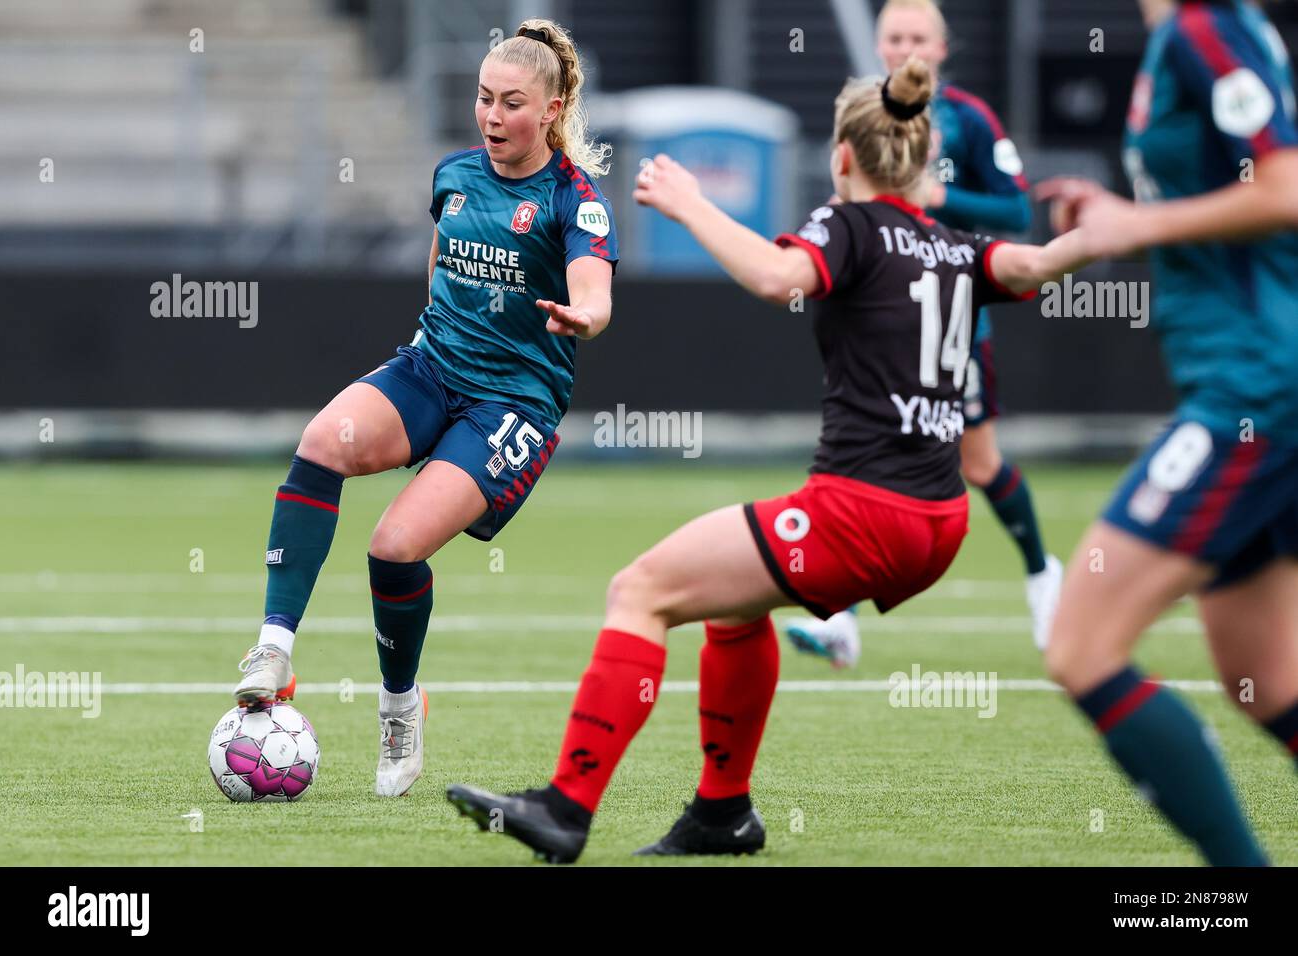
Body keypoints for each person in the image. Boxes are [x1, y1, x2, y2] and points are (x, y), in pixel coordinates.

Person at [446, 57, 1098, 863]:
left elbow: (775, 276)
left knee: (640, 590)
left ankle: (565, 807)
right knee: (734, 606)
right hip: (940, 518)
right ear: (923, 163)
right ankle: (723, 815)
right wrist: (1104, 228)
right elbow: (1031, 265)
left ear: (844, 159)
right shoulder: (954, 245)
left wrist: (690, 205)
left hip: (864, 512)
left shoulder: (850, 224)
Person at [231, 18, 619, 798]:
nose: (492, 116)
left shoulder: (574, 200)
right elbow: (441, 262)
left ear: (550, 110)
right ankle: (273, 647)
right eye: (483, 99)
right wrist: (428, 340)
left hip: (512, 405)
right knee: (322, 440)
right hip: (433, 366)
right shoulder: (453, 174)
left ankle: (400, 708)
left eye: (512, 103)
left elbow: (595, 292)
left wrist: (584, 316)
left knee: (395, 547)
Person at [1036, 0, 1298, 866]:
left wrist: (1134, 224)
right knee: (1269, 682)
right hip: (1257, 383)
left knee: (1080, 644)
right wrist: (1119, 210)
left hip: (1258, 387)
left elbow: (1287, 185)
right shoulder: (1186, 34)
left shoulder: (1204, 25)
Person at [784, 0, 1061, 666]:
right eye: (894, 36)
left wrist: (940, 200)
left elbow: (1018, 208)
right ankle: (840, 618)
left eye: (918, 37)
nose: (906, 47)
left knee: (978, 462)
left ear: (943, 48)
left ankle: (1042, 576)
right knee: (865, 451)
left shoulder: (966, 118)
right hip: (878, 315)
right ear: (878, 45)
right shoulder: (862, 108)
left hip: (949, 319)